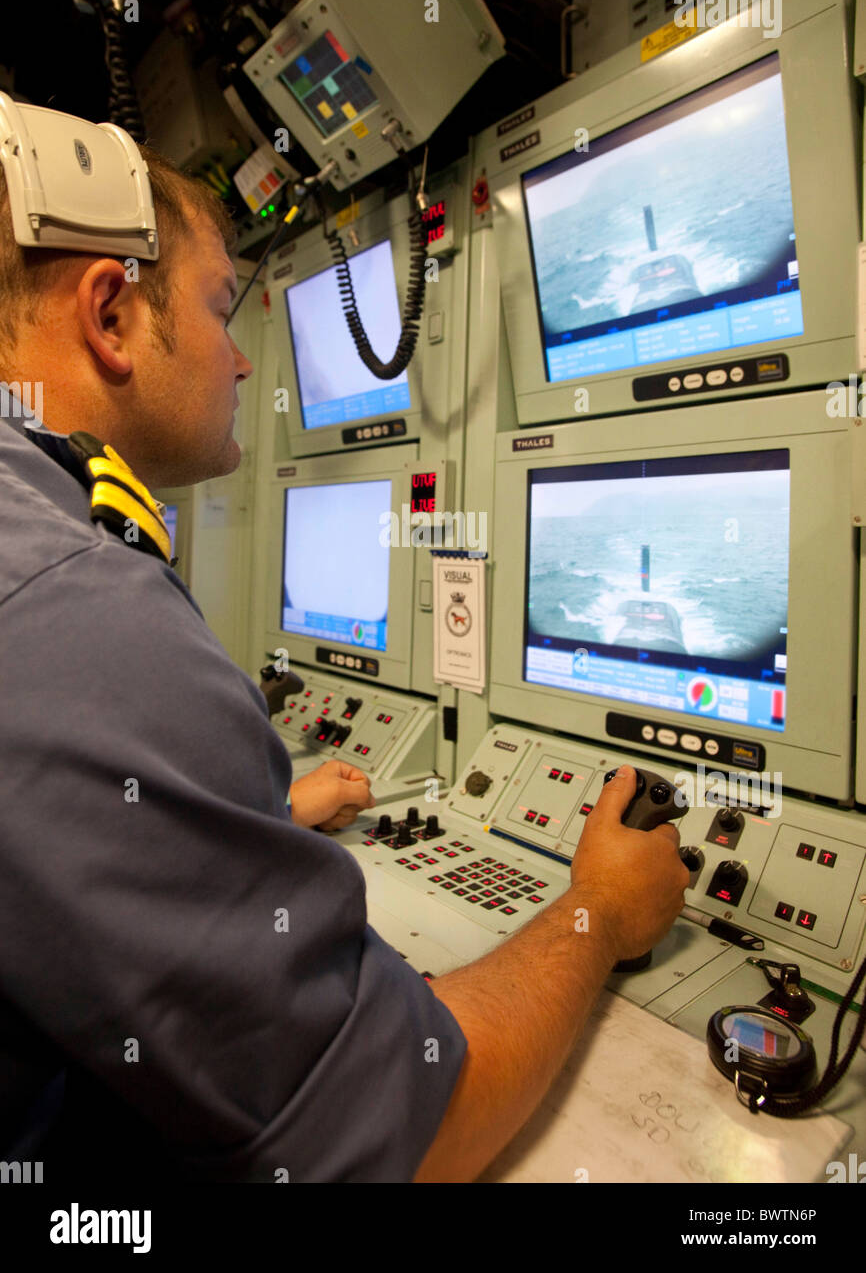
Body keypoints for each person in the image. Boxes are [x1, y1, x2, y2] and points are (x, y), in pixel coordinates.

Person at [0, 122, 688, 1183]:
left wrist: (252, 824)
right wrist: (596, 912)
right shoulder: (74, 598)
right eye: (221, 307)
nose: (239, 359)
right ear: (111, 313)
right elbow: (389, 1133)